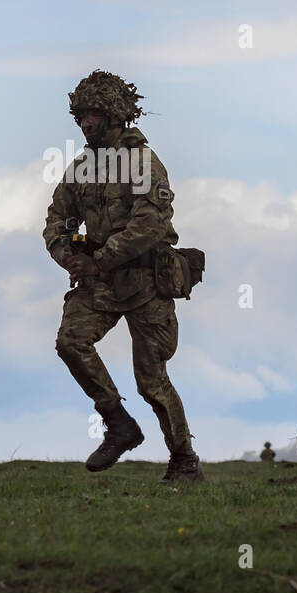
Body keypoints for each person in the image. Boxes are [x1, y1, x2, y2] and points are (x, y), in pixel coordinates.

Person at [44, 70, 202, 484]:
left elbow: (148, 225)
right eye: (80, 116)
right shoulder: (80, 168)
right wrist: (69, 257)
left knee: (152, 381)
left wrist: (100, 260)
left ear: (116, 115)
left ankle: (184, 460)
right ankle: (118, 423)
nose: (85, 123)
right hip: (97, 284)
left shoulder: (144, 164)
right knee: (70, 342)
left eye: (94, 114)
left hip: (146, 284)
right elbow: (57, 219)